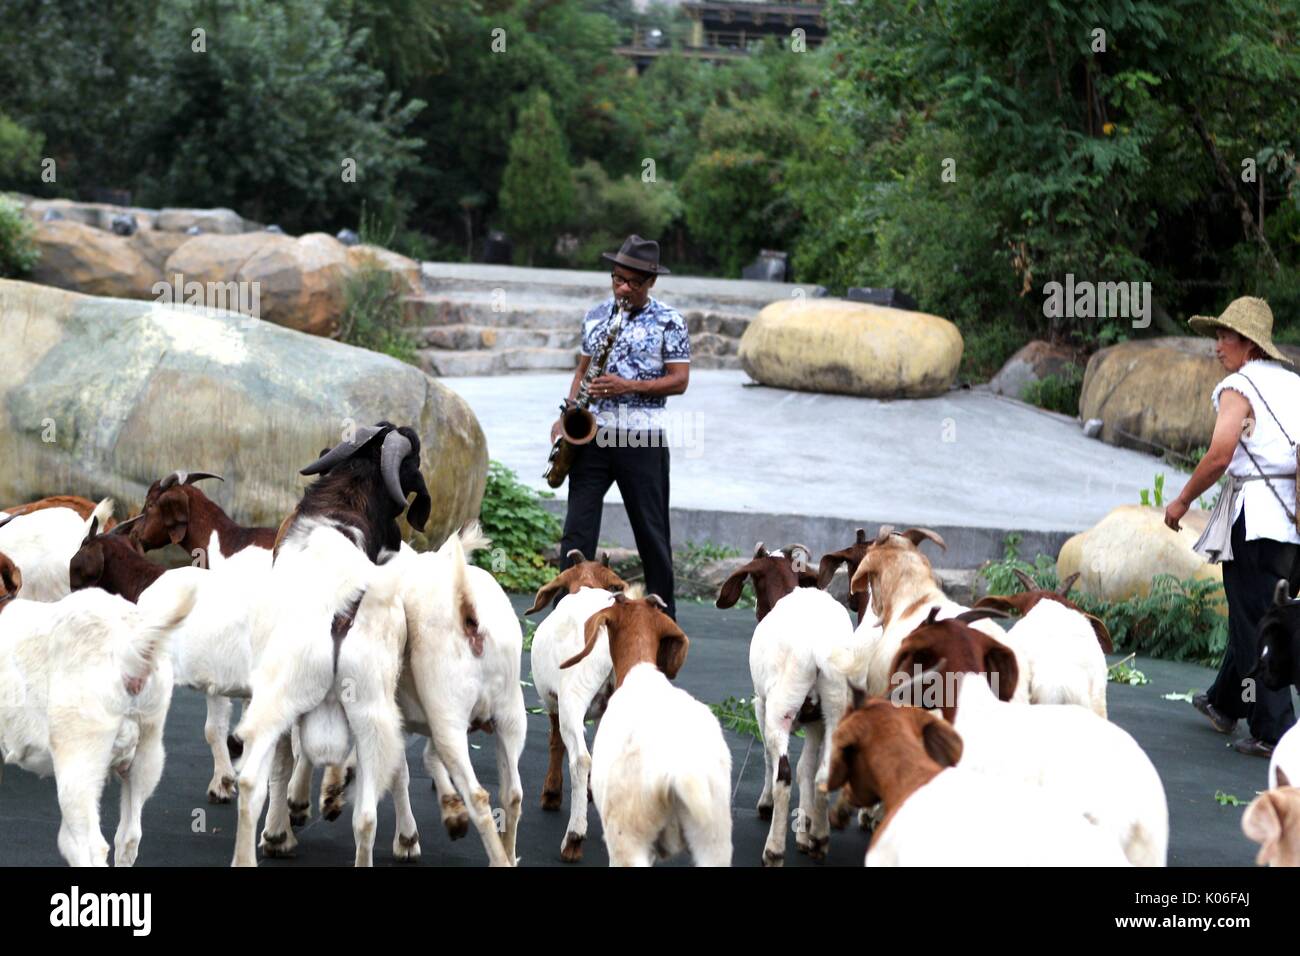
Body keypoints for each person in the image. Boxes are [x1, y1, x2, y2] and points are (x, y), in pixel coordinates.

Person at [1164, 296, 1300, 757]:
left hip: (1254, 519)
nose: (1218, 345)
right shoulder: (1293, 385)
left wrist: (1182, 501)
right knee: (1259, 611)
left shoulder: (1238, 387)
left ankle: (1275, 729)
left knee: (1255, 619)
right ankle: (1225, 702)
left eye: (1227, 337)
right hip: (1290, 521)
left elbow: (1221, 455)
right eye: (1218, 335)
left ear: (1250, 345)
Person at [551, 235, 690, 619]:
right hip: (592, 436)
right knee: (577, 533)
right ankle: (566, 620)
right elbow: (582, 372)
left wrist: (630, 385)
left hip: (641, 440)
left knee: (651, 536)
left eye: (633, 282)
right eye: (617, 279)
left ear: (651, 282)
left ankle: (664, 624)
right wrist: (567, 416)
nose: (623, 288)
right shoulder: (596, 315)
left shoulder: (670, 321)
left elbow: (679, 380)